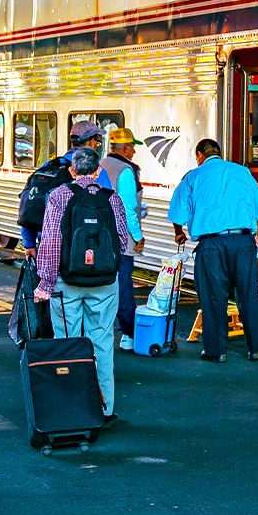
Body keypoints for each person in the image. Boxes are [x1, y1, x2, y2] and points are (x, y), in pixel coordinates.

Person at [33, 147, 140, 421]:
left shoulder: (58, 196)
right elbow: (120, 241)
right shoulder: (112, 199)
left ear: (72, 170)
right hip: (104, 283)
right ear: (98, 171)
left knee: (67, 344)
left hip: (66, 283)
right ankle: (104, 408)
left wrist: (46, 283)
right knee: (102, 343)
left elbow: (51, 243)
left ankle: (71, 409)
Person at [168, 138, 258, 363]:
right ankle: (256, 349)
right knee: (249, 295)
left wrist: (179, 232)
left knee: (214, 297)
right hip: (243, 243)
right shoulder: (242, 172)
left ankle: (217, 352)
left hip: (212, 246)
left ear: (199, 155)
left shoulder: (193, 177)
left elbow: (178, 212)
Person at [17, 119, 107, 254]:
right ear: (90, 143)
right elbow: (109, 208)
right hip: (82, 248)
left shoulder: (48, 166)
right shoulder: (96, 172)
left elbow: (30, 204)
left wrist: (29, 243)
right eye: (97, 142)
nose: (97, 146)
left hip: (48, 244)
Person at [98, 127, 147, 351]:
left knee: (104, 286)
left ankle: (102, 332)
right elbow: (127, 208)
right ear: (125, 148)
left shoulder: (100, 166)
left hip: (101, 237)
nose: (134, 151)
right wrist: (137, 236)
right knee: (123, 285)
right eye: (132, 147)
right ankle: (129, 333)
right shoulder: (126, 171)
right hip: (121, 240)